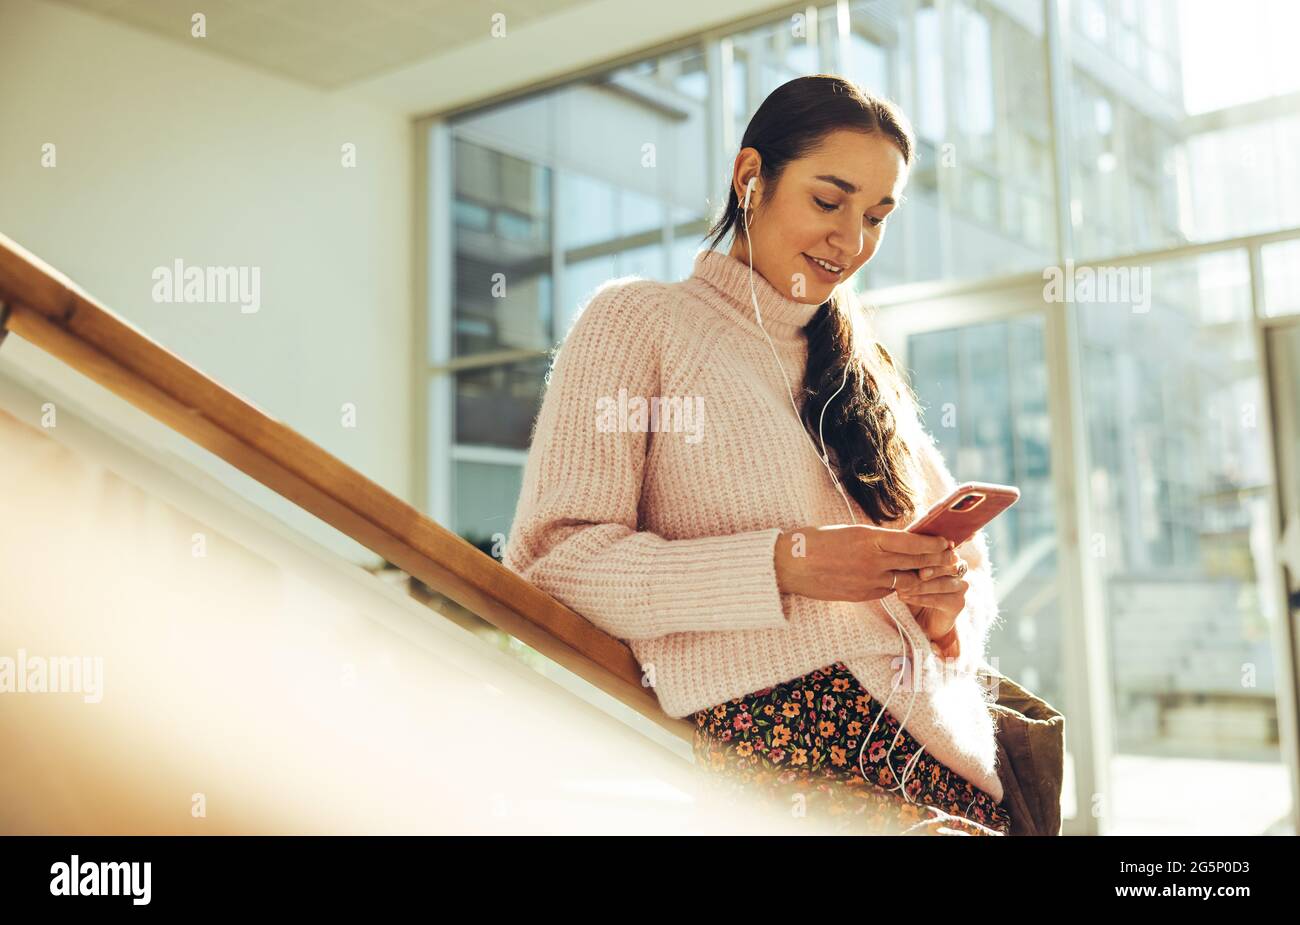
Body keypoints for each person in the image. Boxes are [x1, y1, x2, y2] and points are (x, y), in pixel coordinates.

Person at [503, 74, 1011, 835]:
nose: (853, 240)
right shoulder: (639, 322)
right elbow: (556, 562)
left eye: (877, 215)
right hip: (798, 759)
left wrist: (945, 616)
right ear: (750, 178)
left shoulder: (867, 369)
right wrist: (787, 562)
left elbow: (969, 589)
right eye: (828, 200)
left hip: (956, 766)